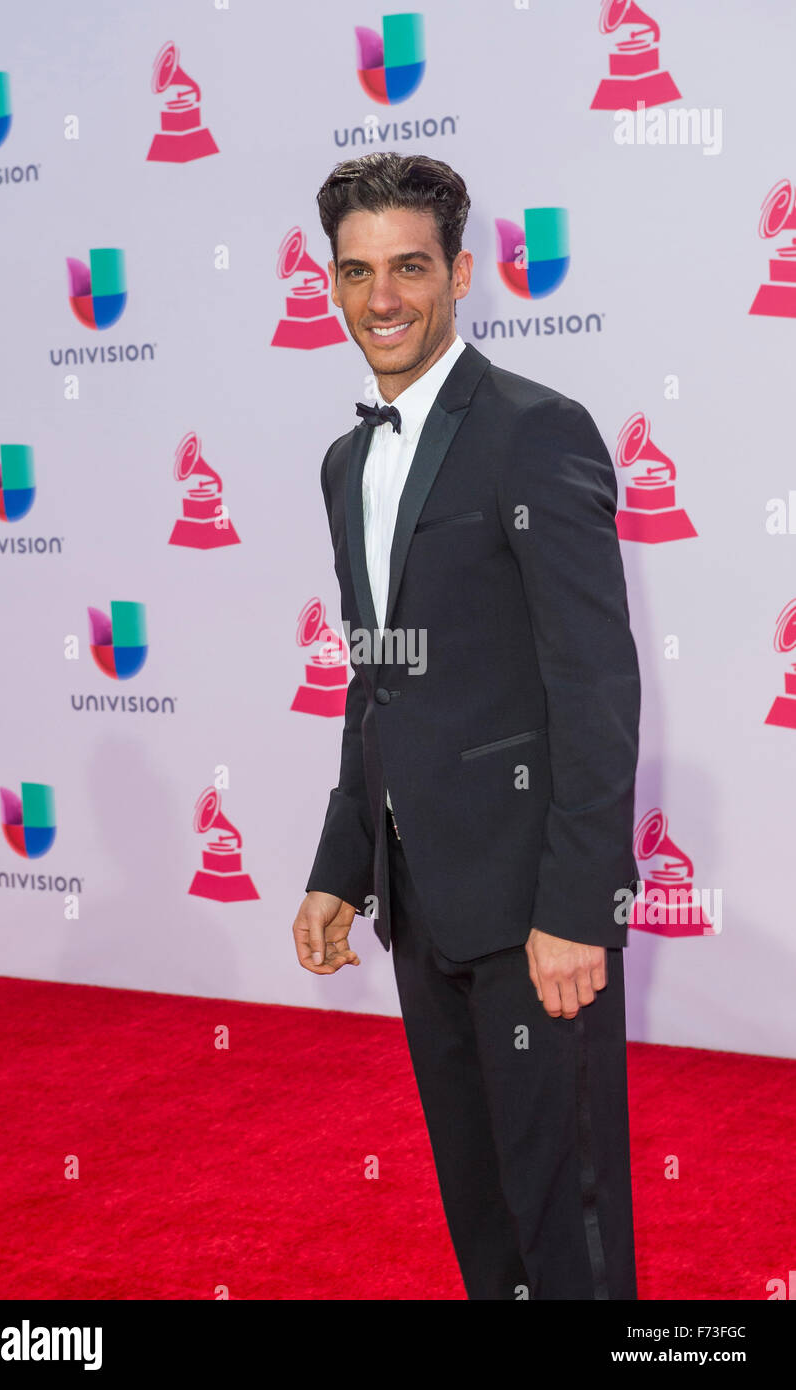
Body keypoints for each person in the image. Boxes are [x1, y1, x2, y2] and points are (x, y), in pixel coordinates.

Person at [291, 152, 641, 1301]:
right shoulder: (346, 463)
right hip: (419, 902)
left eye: (407, 267)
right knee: (480, 1212)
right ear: (329, 284)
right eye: (356, 271)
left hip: (534, 908)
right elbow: (374, 676)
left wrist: (576, 908)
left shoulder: (536, 432)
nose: (380, 297)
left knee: (568, 1217)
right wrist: (342, 865)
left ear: (459, 275)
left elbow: (592, 681)